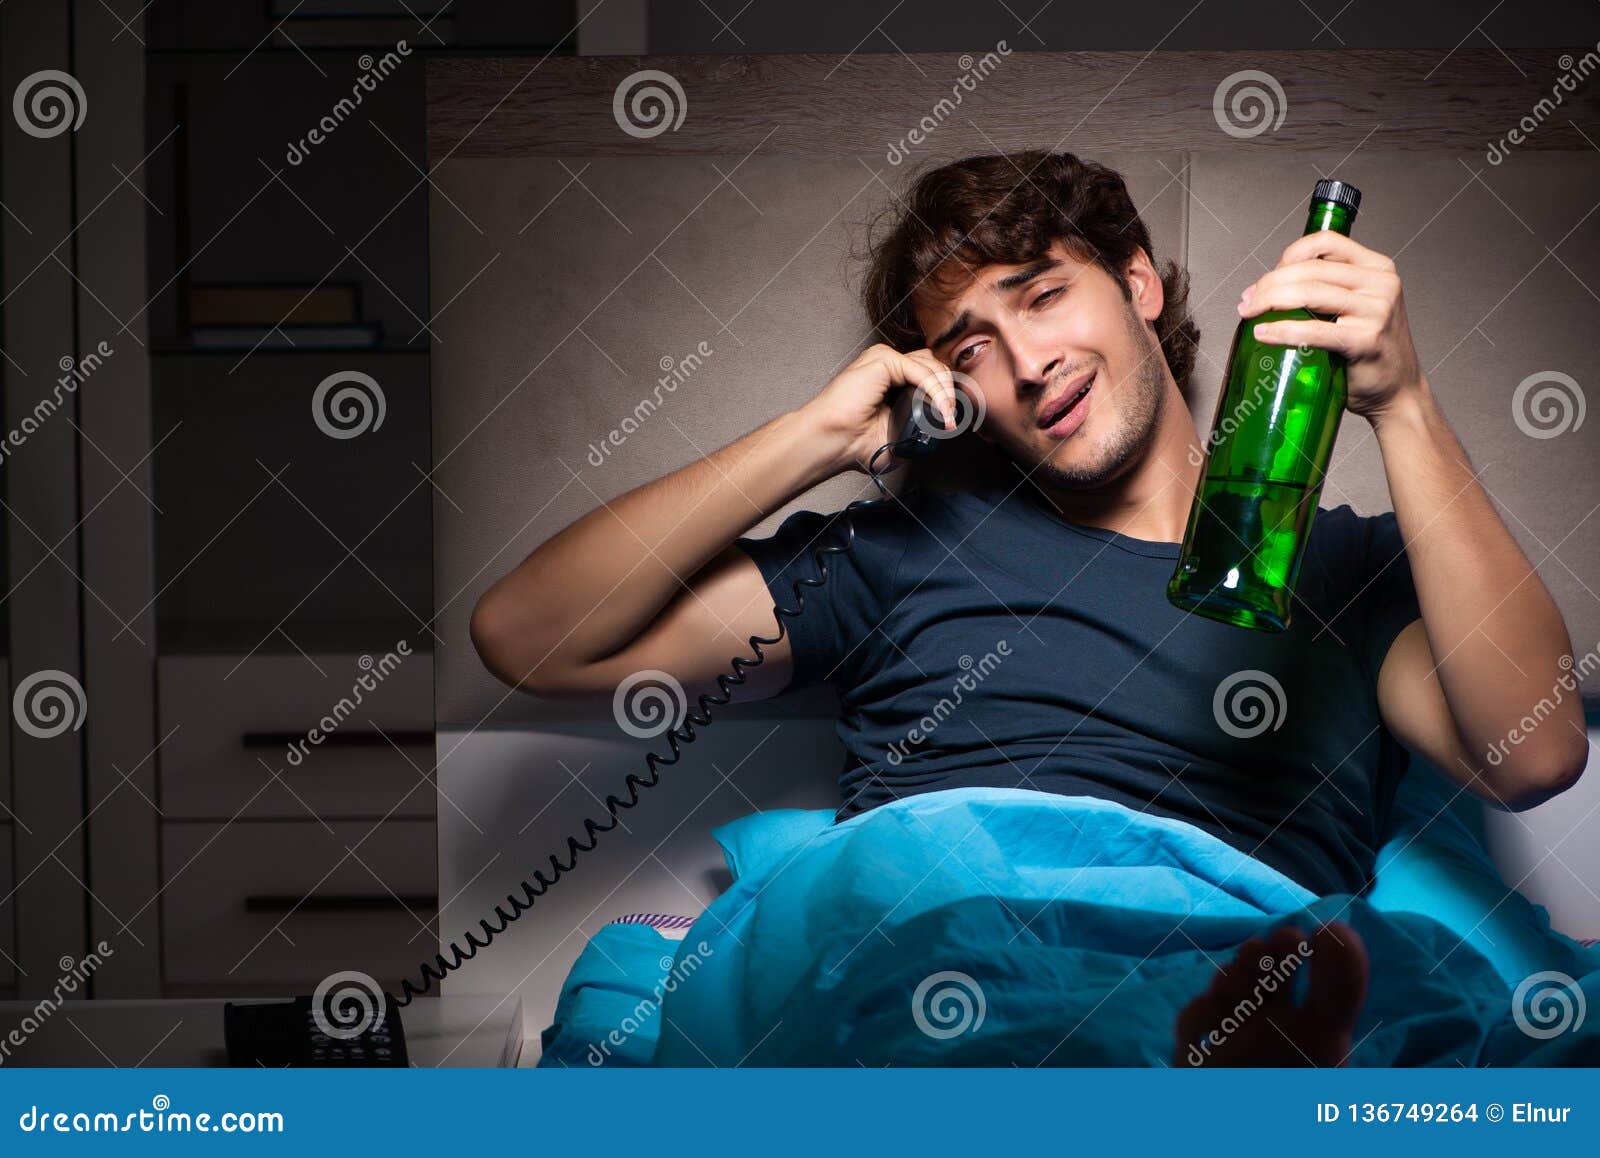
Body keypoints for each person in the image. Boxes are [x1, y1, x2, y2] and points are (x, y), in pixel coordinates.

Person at [469, 150, 1585, 1065]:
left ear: (1139, 285)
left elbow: (1532, 756)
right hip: (934, 933)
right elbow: (528, 638)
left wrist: (1401, 403)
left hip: (1235, 940)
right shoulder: (899, 554)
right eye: (972, 347)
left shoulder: (1344, 568)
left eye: (1043, 295)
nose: (1030, 362)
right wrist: (815, 438)